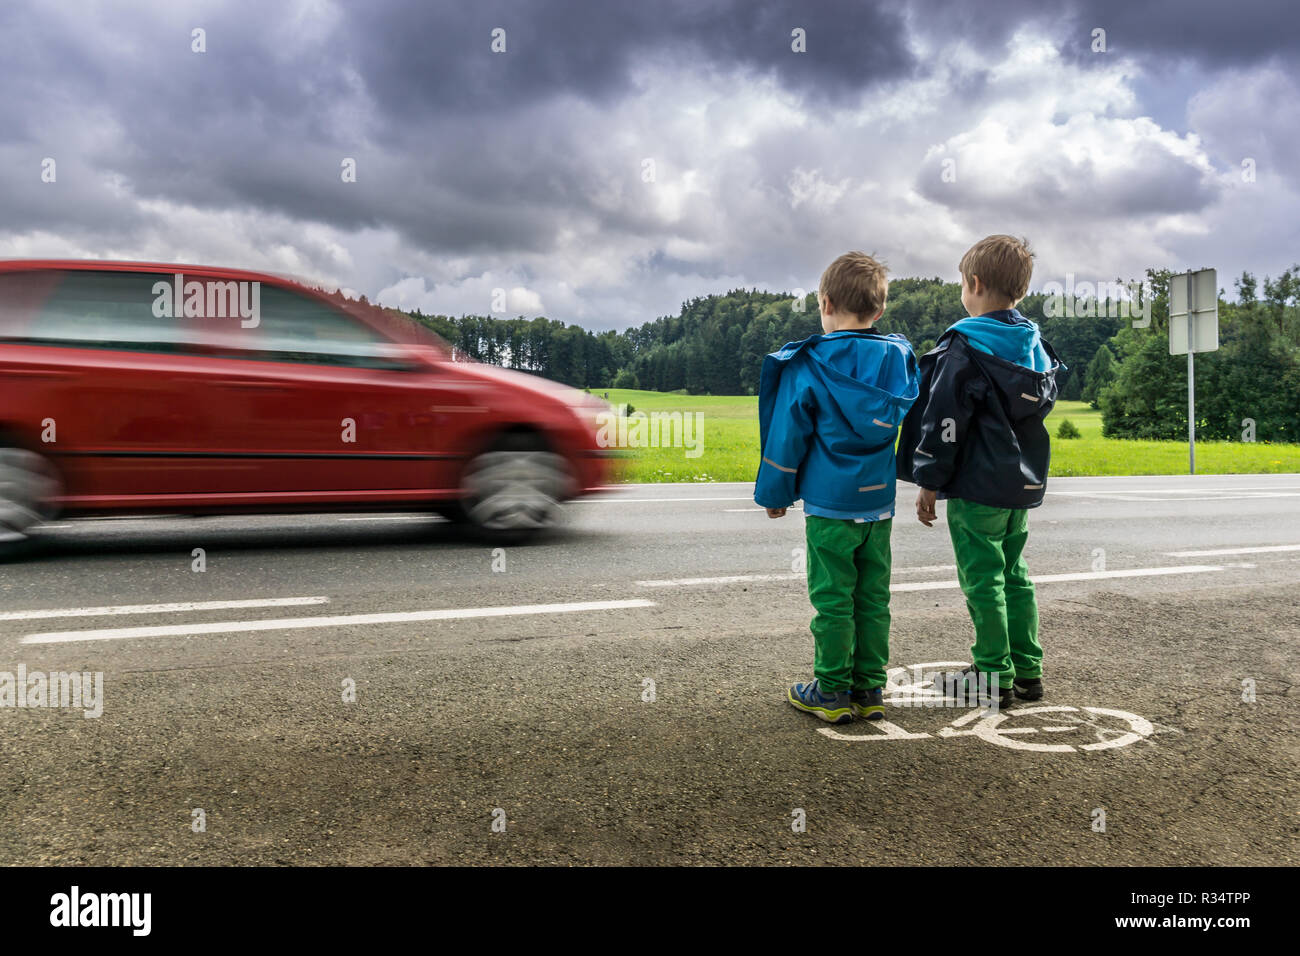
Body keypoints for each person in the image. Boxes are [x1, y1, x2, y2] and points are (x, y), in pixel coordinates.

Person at [896, 235, 1064, 709]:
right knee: (1015, 574)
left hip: (977, 486)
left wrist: (928, 479)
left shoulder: (965, 345)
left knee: (983, 578)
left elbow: (944, 418)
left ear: (973, 283)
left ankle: (992, 674)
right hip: (1020, 482)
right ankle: (1027, 670)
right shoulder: (1033, 345)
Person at [755, 252, 919, 724]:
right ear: (879, 310)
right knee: (872, 597)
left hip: (829, 506)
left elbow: (788, 434)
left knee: (832, 599)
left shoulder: (810, 364)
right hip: (880, 505)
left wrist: (775, 494)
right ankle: (868, 688)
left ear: (825, 302)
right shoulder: (898, 359)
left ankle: (830, 689)